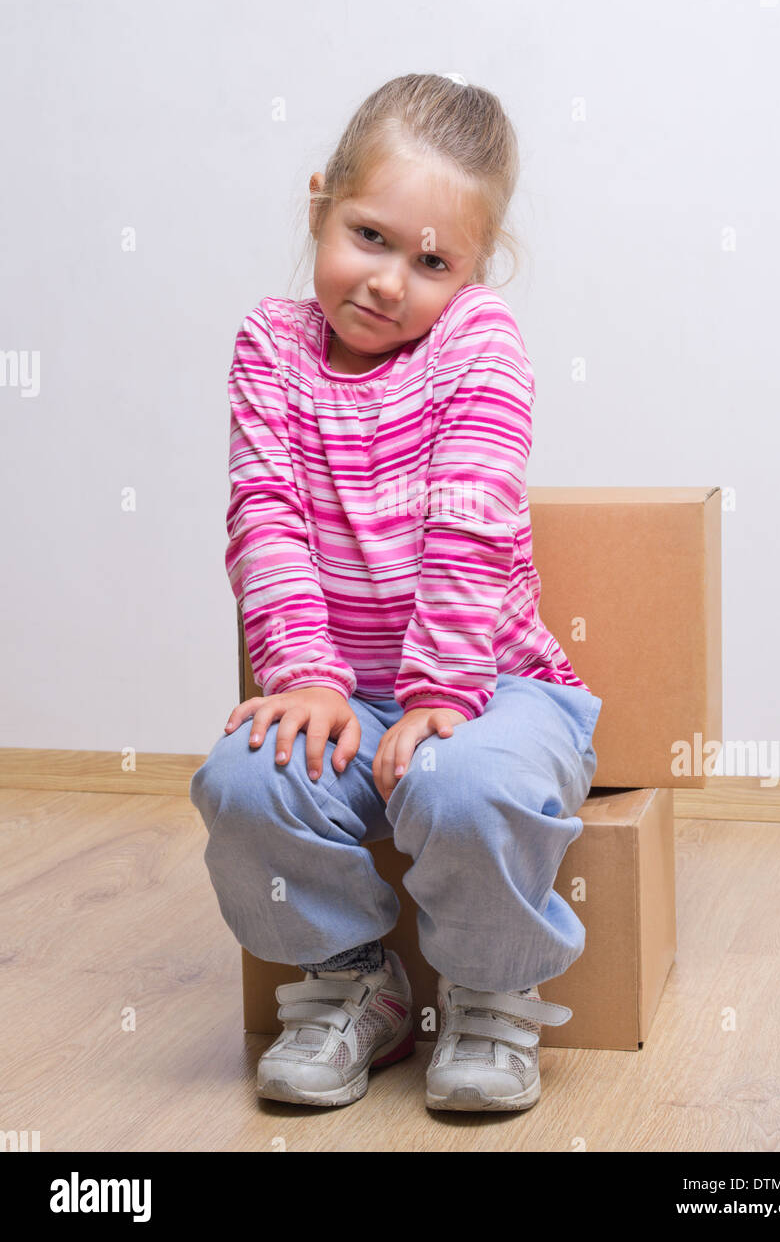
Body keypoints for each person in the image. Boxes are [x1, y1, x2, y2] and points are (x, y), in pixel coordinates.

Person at [190, 72, 603, 1114]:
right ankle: (351, 979)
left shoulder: (477, 341)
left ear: (474, 270)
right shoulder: (271, 348)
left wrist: (439, 698)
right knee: (244, 780)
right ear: (323, 201)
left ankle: (491, 989)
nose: (388, 281)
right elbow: (265, 515)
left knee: (465, 786)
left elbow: (471, 519)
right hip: (345, 688)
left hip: (492, 684)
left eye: (431, 262)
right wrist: (307, 677)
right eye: (369, 236)